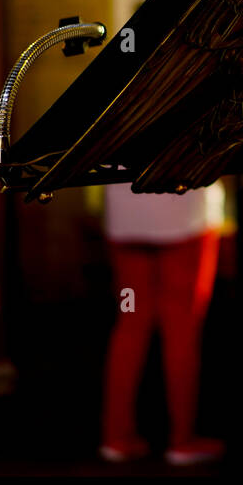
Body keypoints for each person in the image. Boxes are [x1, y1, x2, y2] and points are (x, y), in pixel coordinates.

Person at [99, 181, 225, 465]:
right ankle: (182, 440)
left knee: (130, 324)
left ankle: (115, 437)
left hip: (125, 215)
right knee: (183, 327)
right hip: (184, 212)